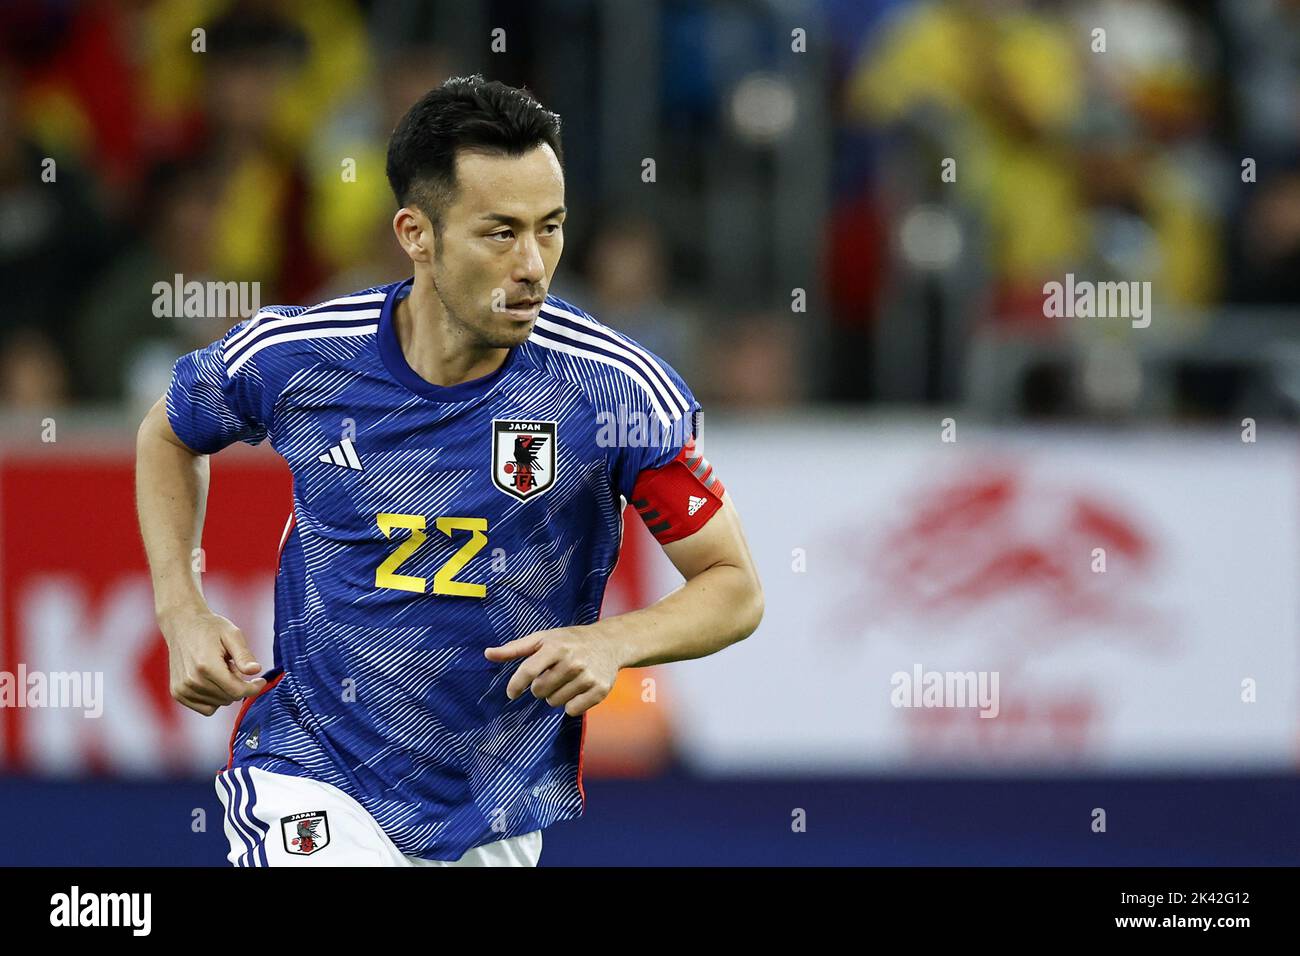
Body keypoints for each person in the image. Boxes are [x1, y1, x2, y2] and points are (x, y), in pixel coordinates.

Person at [135, 75, 763, 867]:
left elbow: (734, 585)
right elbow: (168, 431)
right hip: (311, 773)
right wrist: (180, 609)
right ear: (416, 234)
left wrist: (613, 643)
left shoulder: (610, 387)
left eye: (551, 228)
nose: (534, 264)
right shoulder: (300, 356)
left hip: (488, 813)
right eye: (500, 232)